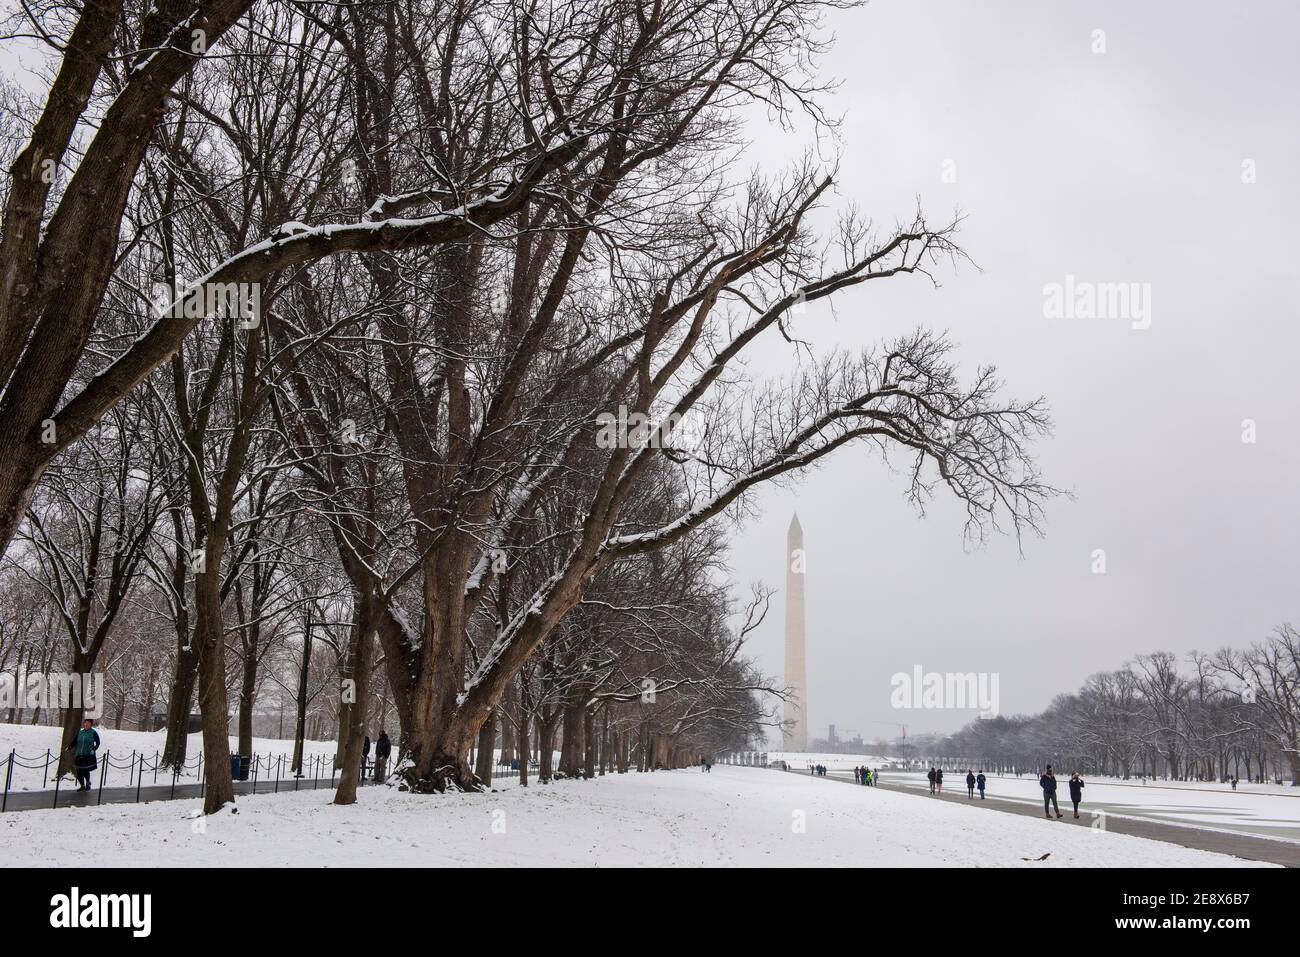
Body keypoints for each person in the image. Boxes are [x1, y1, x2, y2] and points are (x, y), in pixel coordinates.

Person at [66, 718, 100, 791]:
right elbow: (75, 741)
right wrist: (69, 747)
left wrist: (93, 749)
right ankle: (82, 786)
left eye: (88, 723)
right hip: (79, 754)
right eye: (85, 722)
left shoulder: (93, 733)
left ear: (91, 724)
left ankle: (88, 783)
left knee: (85, 770)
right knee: (78, 771)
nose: (86, 724)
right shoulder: (80, 732)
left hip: (87, 755)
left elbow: (98, 743)